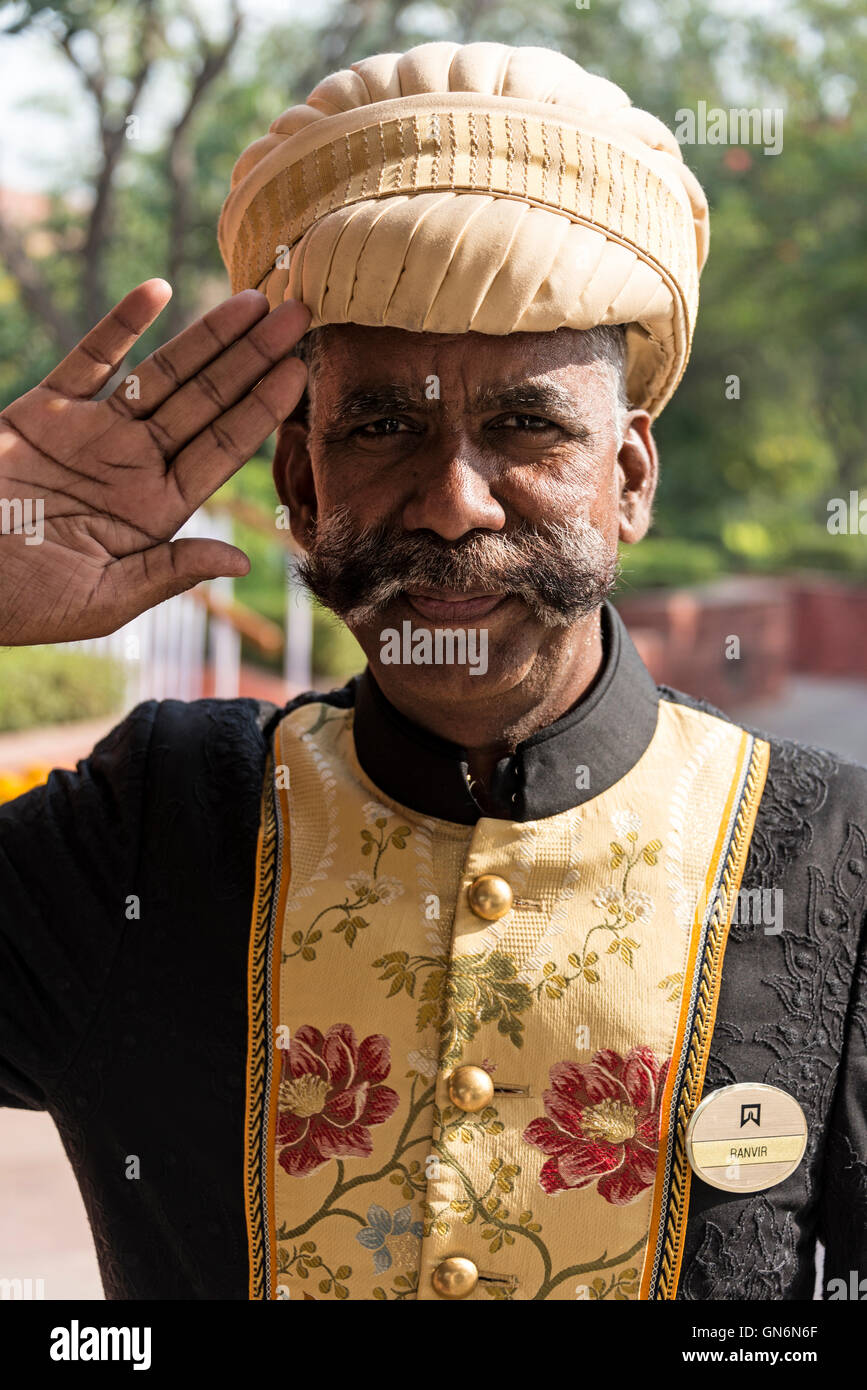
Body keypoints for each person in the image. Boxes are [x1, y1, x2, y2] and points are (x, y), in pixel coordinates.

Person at [0, 41, 863, 1303]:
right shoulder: (151, 834)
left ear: (627, 478)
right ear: (301, 483)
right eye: (383, 426)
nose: (454, 504)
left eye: (524, 425)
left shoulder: (828, 860)